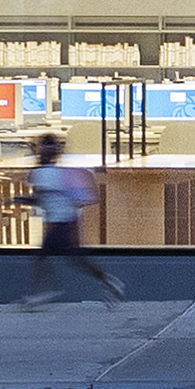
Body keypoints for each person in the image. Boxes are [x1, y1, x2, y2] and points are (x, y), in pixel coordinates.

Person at [19, 130, 124, 306]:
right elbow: (46, 198)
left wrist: (19, 199)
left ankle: (44, 292)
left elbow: (39, 198)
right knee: (74, 258)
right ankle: (108, 281)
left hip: (59, 222)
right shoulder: (56, 173)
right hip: (67, 219)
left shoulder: (40, 174)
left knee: (45, 256)